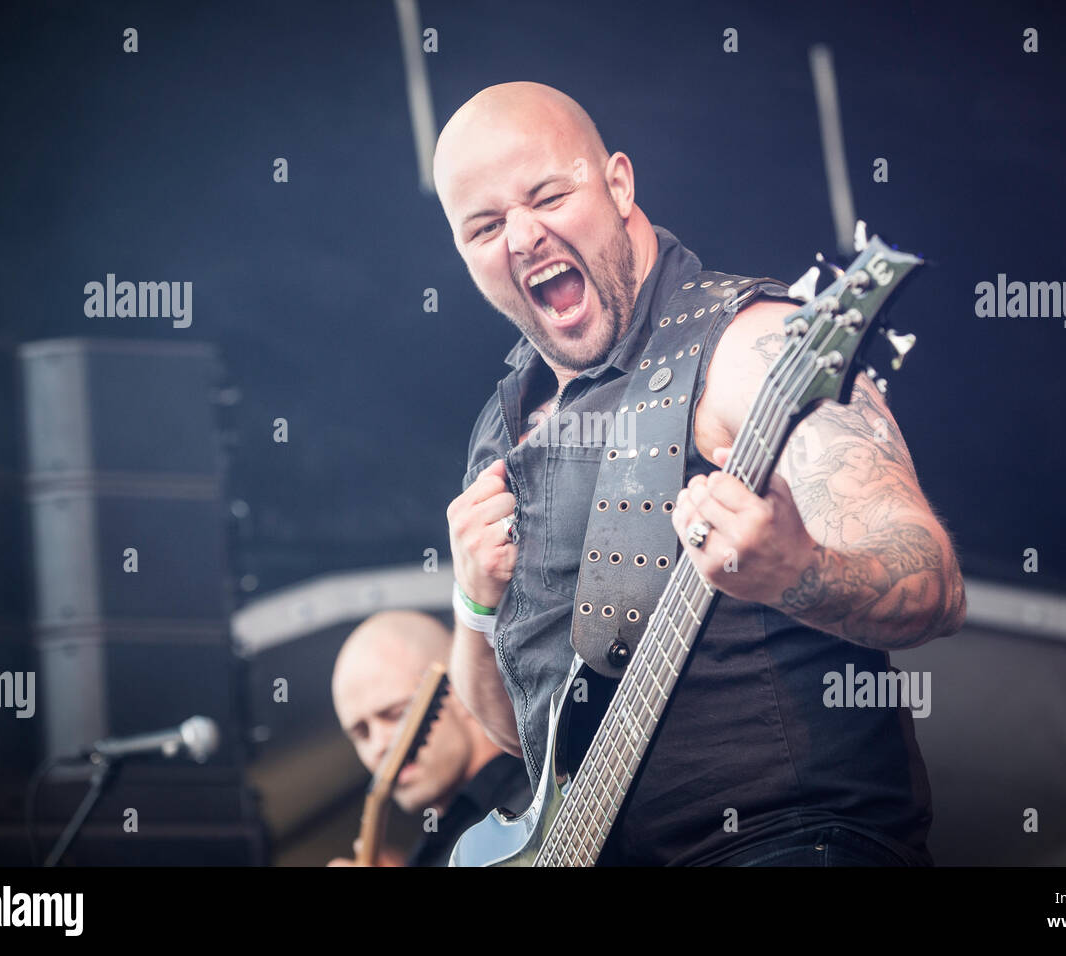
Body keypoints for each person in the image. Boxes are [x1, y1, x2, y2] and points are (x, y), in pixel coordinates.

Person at [436, 81, 967, 866]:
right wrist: (474, 604)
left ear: (618, 183)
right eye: (485, 226)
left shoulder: (751, 345)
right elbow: (519, 735)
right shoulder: (503, 427)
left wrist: (798, 571)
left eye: (547, 194)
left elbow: (934, 585)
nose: (521, 237)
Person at [327, 610, 531, 866]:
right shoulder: (431, 848)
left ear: (456, 688)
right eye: (361, 733)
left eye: (395, 714)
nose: (378, 745)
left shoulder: (539, 796)